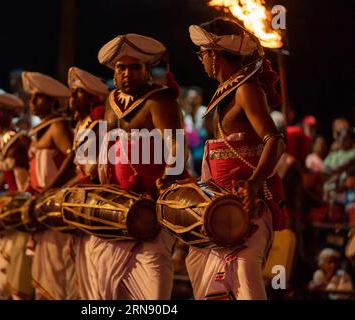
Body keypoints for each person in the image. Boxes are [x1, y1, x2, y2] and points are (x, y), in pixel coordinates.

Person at [186, 17, 286, 300]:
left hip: (246, 207)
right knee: (200, 268)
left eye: (203, 53)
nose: (201, 59)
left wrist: (254, 183)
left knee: (243, 272)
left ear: (216, 54)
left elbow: (274, 140)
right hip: (217, 206)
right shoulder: (225, 91)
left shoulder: (246, 89)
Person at [88, 33, 188, 300]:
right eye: (121, 68)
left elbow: (177, 145)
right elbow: (106, 146)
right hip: (117, 207)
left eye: (134, 67)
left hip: (152, 206)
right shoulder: (111, 101)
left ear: (147, 70)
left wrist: (169, 177)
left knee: (154, 282)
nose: (127, 74)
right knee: (110, 285)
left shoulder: (160, 99)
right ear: (114, 71)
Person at [21, 71, 78, 299]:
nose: (33, 102)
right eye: (32, 97)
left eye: (39, 97)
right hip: (42, 206)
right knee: (45, 275)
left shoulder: (58, 127)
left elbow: (71, 160)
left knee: (57, 272)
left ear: (53, 101)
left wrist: (47, 192)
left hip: (54, 207)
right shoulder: (41, 130)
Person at [0, 91, 33, 299]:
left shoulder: (20, 140)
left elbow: (30, 171)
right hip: (13, 197)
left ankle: (19, 291)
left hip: (24, 198)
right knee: (4, 248)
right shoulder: (0, 140)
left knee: (19, 251)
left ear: (9, 114)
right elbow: (6, 173)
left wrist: (25, 195)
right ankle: (6, 290)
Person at [66, 66, 108, 299]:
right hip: (79, 198)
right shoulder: (82, 125)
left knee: (93, 275)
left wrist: (66, 189)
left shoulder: (96, 126)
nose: (72, 99)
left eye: (78, 93)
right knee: (80, 272)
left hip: (91, 199)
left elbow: (92, 172)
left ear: (93, 97)